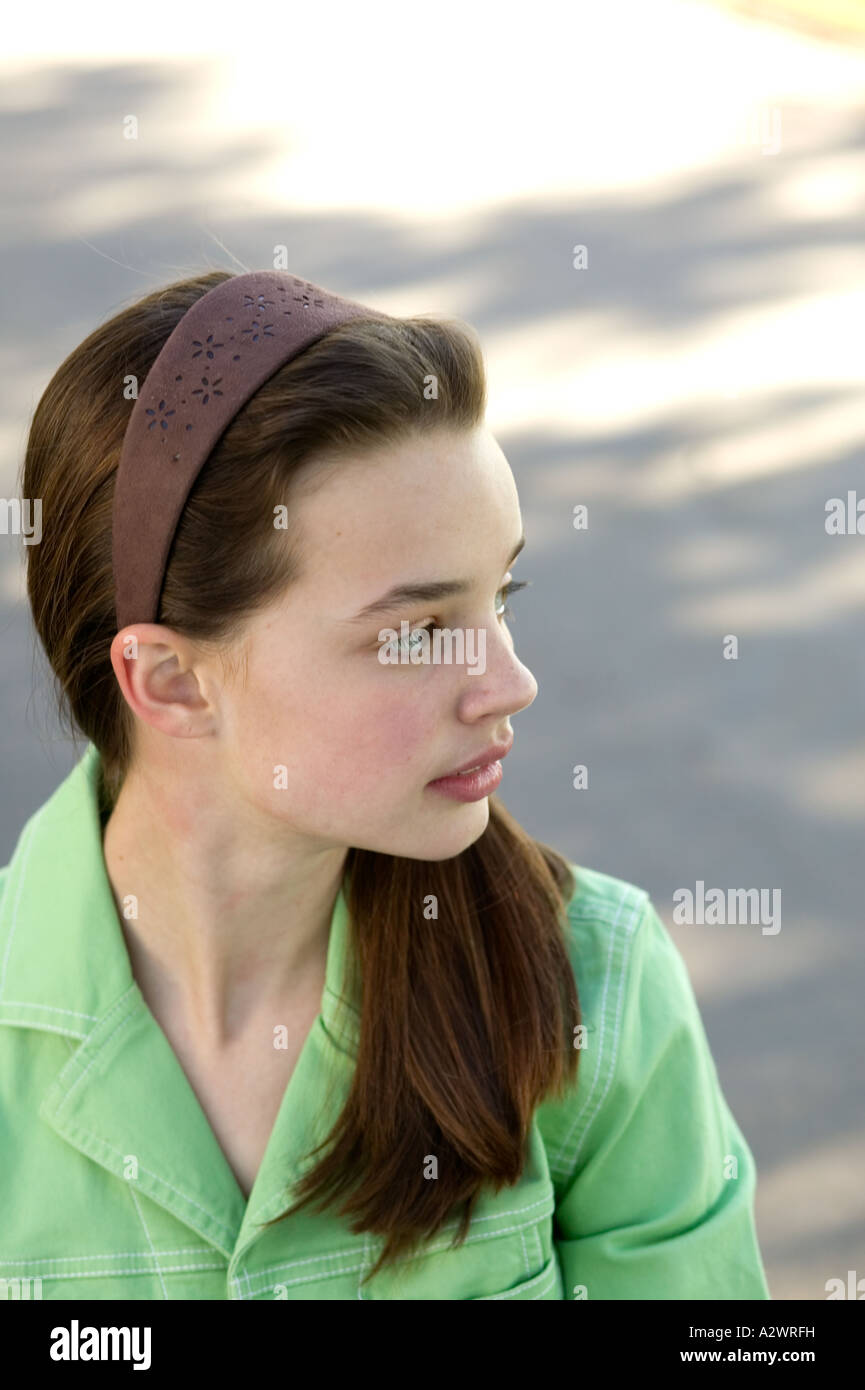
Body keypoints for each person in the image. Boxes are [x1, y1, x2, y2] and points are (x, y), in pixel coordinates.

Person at [0, 268, 770, 1300]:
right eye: (417, 632)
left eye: (502, 595)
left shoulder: (598, 991)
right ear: (172, 681)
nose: (511, 682)